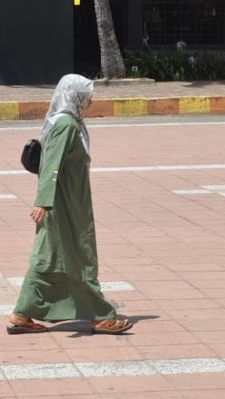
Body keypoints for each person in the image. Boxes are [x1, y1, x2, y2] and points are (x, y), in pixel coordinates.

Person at [8, 74, 133, 335]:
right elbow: (51, 163)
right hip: (63, 204)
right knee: (79, 256)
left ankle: (22, 313)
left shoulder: (66, 122)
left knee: (50, 257)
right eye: (86, 97)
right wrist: (43, 202)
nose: (89, 102)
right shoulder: (66, 124)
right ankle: (99, 316)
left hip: (66, 201)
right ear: (74, 96)